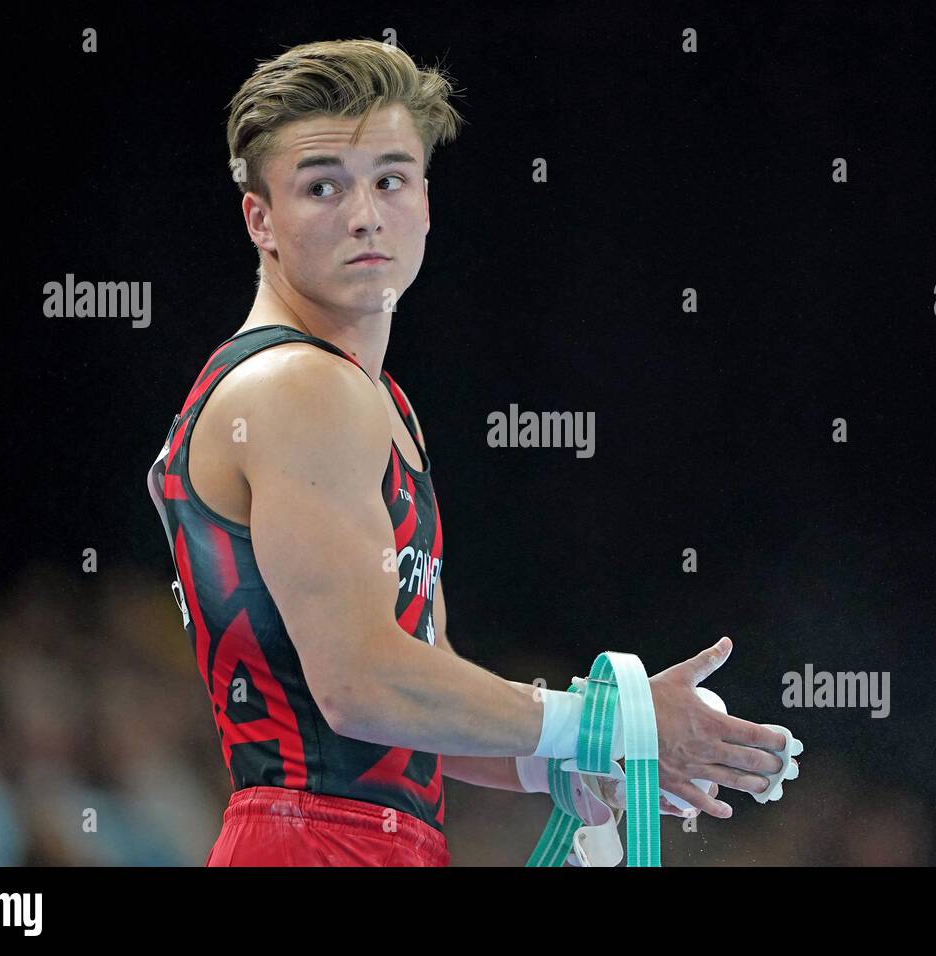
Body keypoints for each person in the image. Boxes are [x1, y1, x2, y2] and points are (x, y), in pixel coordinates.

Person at [146, 38, 789, 867]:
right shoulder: (299, 388)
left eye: (390, 179)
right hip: (306, 843)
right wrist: (604, 721)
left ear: (425, 199)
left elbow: (414, 698)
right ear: (258, 218)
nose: (365, 214)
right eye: (321, 187)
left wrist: (568, 759)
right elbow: (360, 686)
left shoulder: (378, 403)